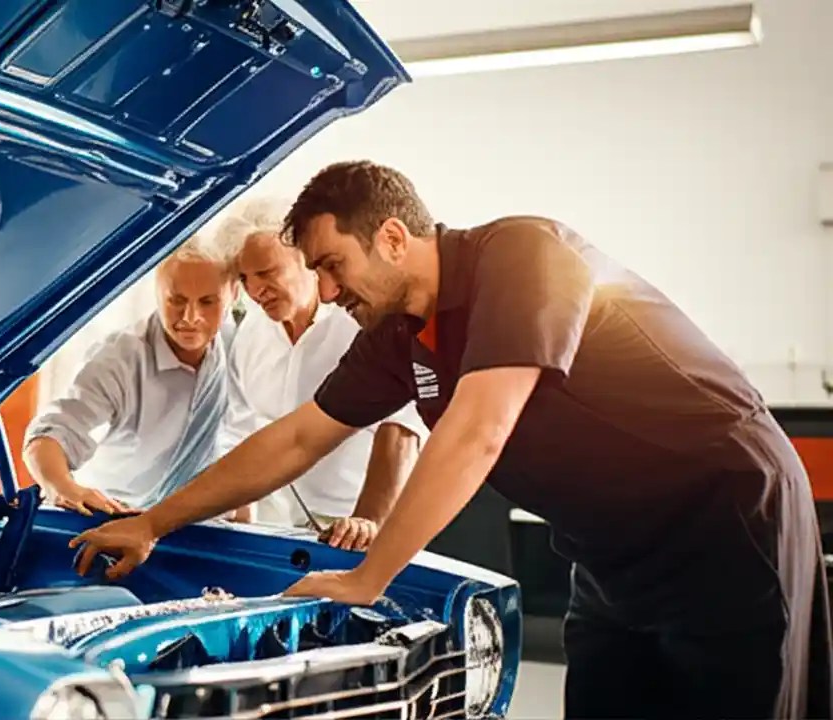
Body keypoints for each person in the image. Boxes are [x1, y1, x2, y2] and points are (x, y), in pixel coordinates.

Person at [68, 160, 833, 719]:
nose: (326, 292)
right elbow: (295, 440)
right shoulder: (398, 335)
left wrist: (369, 576)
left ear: (392, 237)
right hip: (611, 556)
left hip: (719, 524)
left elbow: (478, 430)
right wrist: (153, 521)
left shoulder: (524, 255)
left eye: (333, 266)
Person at [217, 197, 429, 550]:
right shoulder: (248, 336)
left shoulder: (360, 320)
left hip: (359, 522)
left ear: (305, 259)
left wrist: (368, 523)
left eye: (266, 273)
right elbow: (239, 430)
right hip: (277, 529)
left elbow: (400, 431)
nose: (254, 291)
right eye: (244, 278)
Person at [23, 234, 249, 519]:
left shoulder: (240, 346)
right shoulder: (119, 358)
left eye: (207, 302)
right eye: (176, 300)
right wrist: (63, 488)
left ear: (234, 294)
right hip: (117, 518)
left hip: (203, 526)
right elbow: (49, 435)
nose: (191, 317)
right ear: (157, 291)